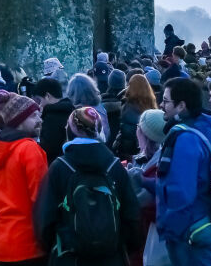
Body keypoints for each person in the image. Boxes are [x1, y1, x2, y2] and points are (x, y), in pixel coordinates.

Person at [34, 106, 139, 266]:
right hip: (111, 257)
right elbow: (132, 218)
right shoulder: (114, 166)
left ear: (70, 130)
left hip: (69, 257)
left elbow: (45, 220)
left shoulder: (60, 167)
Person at [155, 78, 211, 266]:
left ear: (181, 106)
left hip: (190, 229)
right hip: (201, 221)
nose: (161, 105)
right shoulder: (203, 128)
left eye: (166, 101)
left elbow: (181, 190)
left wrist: (172, 229)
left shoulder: (186, 138)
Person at [0, 90, 46, 266]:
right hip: (27, 244)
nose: (40, 120)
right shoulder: (29, 149)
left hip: (1, 243)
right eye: (33, 116)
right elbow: (40, 198)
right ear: (18, 120)